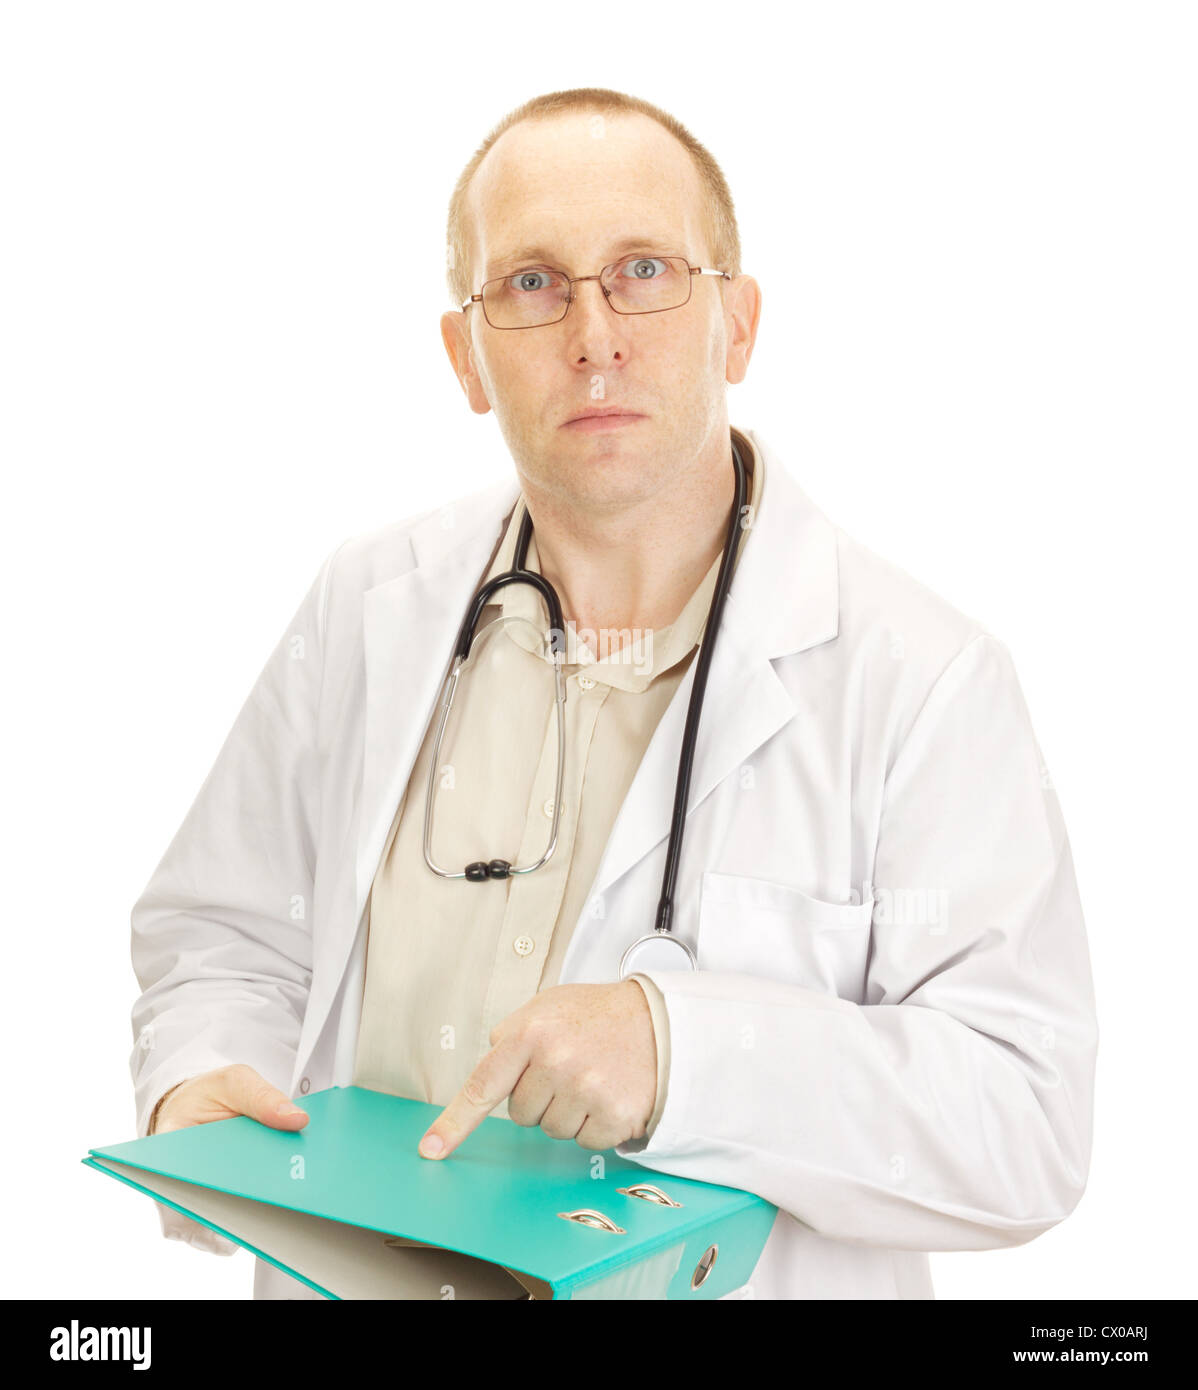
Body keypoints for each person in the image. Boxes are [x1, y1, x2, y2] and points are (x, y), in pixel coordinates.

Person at [129, 87, 1098, 1301]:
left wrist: (685, 1054)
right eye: (531, 284)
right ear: (466, 355)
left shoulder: (916, 677)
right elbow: (224, 931)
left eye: (643, 270)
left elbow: (1028, 1120)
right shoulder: (369, 605)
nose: (593, 333)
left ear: (736, 325)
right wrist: (203, 1073)